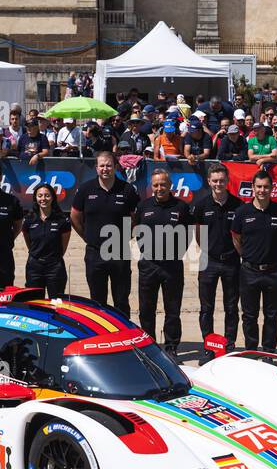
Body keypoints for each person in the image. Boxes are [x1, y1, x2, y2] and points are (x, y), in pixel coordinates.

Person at [70, 151, 140, 315]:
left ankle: (123, 330)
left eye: (109, 165)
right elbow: (75, 216)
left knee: (121, 300)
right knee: (97, 301)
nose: (105, 169)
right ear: (96, 168)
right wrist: (87, 236)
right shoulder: (86, 189)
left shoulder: (127, 189)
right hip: (95, 252)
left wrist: (127, 236)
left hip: (119, 252)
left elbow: (135, 219)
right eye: (102, 166)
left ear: (115, 167)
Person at [136, 169, 194, 359]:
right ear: (151, 187)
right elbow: (137, 231)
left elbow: (188, 234)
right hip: (148, 265)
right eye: (156, 185)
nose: (159, 188)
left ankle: (171, 346)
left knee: (172, 309)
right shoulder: (143, 206)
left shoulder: (181, 207)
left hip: (172, 266)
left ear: (170, 186)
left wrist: (176, 253)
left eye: (163, 184)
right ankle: (148, 344)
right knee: (146, 309)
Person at [231, 169, 277, 352]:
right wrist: (248, 256)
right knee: (249, 315)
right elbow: (236, 238)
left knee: (272, 315)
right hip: (249, 271)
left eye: (266, 187)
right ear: (253, 188)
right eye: (259, 187)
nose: (262, 190)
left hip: (274, 271)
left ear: (271, 188)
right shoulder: (242, 212)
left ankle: (269, 351)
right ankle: (251, 351)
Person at [192, 164, 242, 361]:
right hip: (208, 261)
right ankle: (209, 346)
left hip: (231, 261)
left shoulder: (238, 205)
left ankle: (229, 345)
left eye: (221, 180)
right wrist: (208, 250)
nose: (218, 184)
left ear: (227, 181)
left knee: (231, 306)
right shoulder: (201, 205)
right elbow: (198, 233)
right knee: (207, 307)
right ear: (209, 181)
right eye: (215, 180)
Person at [22, 183, 70, 296]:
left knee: (56, 302)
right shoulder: (29, 219)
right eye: (40, 196)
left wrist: (52, 258)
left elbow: (63, 246)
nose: (43, 199)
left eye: (47, 195)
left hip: (55, 267)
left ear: (53, 198)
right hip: (34, 267)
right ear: (35, 198)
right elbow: (29, 243)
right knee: (35, 302)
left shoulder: (62, 220)